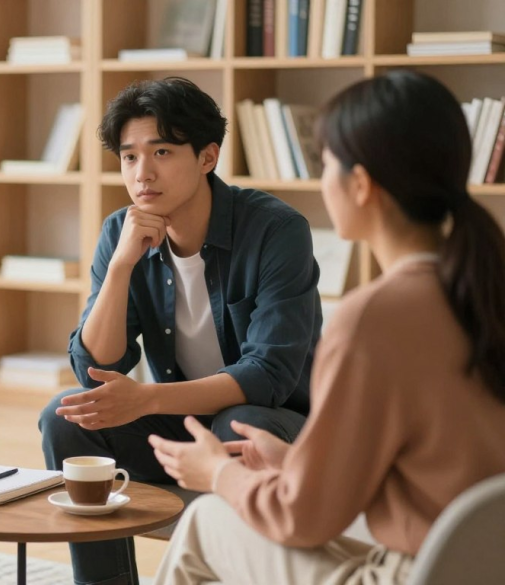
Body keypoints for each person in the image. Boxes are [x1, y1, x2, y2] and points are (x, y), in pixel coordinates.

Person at [150, 70, 505, 585]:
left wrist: (217, 473)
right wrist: (297, 462)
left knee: (208, 518)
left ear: (360, 185)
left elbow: (302, 518)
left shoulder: (373, 318)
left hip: (413, 573)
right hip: (478, 564)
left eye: (326, 163)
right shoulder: (484, 288)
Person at [38, 76, 322, 584]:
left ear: (207, 157)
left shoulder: (277, 231)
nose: (142, 173)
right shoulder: (119, 232)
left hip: (279, 424)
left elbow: (270, 374)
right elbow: (94, 370)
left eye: (162, 151)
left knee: (239, 419)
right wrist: (123, 264)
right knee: (66, 418)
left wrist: (145, 399)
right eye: (128, 157)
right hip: (178, 416)